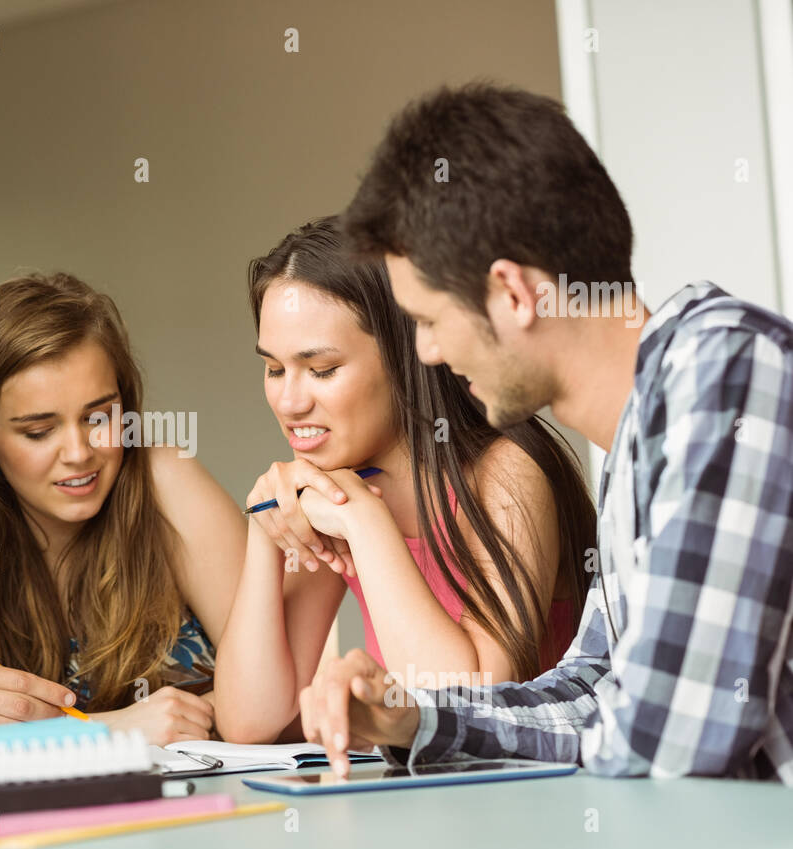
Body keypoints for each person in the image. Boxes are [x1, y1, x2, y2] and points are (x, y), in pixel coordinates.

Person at [299, 83, 793, 784]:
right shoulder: (645, 429)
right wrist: (415, 718)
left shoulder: (725, 374)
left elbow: (677, 739)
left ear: (515, 293)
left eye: (431, 321)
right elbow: (600, 692)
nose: (430, 354)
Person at [216, 217, 596, 744]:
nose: (289, 402)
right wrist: (266, 528)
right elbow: (250, 724)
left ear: (405, 354)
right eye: (275, 369)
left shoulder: (506, 470)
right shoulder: (331, 489)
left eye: (321, 369)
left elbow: (468, 701)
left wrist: (368, 525)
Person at [0, 273, 248, 745]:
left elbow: (283, 690)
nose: (80, 453)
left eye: (99, 417)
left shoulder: (164, 481)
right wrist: (104, 731)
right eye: (39, 431)